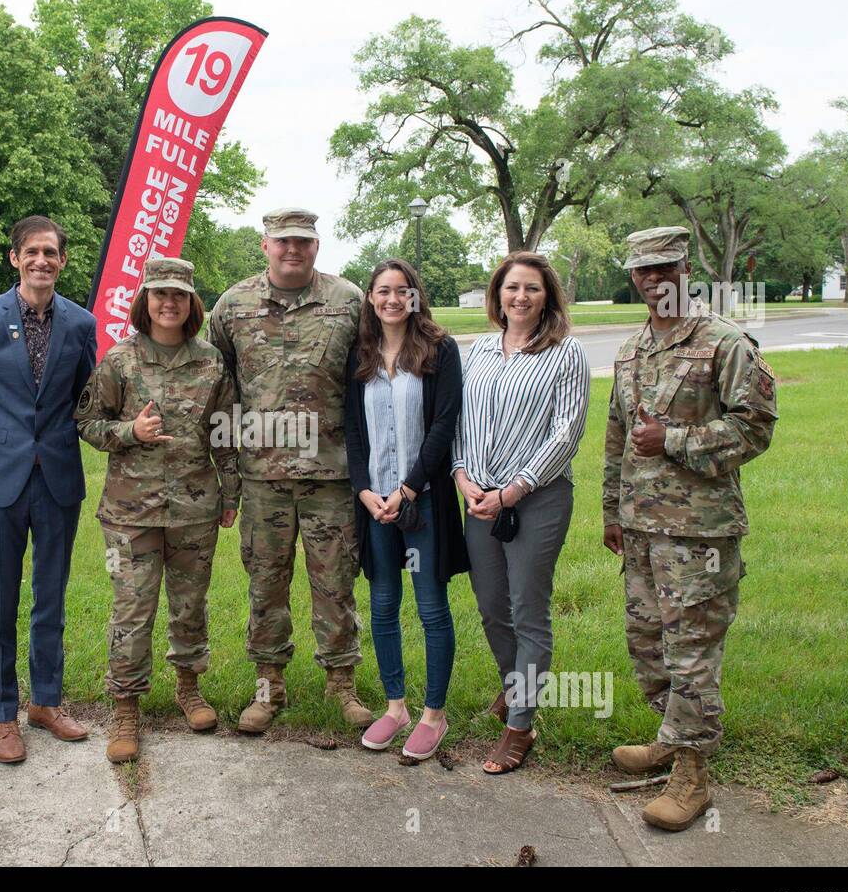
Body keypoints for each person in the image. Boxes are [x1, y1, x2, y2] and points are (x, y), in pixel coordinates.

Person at [603, 226, 777, 831]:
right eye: (642, 271)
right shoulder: (631, 350)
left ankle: (693, 773)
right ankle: (672, 738)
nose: (653, 280)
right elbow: (619, 437)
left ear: (685, 269)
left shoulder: (724, 342)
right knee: (647, 641)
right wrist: (611, 513)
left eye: (664, 268)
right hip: (642, 529)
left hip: (699, 535)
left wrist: (673, 439)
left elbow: (755, 428)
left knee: (692, 649)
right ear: (633, 277)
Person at [207, 208, 373, 734]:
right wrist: (228, 478)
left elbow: (372, 379)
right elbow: (220, 390)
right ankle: (268, 686)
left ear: (317, 246)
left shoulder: (349, 301)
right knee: (266, 584)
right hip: (263, 479)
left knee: (335, 583)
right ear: (265, 245)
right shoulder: (233, 307)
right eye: (283, 242)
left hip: (333, 474)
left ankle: (341, 683)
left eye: (303, 241)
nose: (292, 250)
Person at [75, 258, 240, 762]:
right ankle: (126, 707)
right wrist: (129, 432)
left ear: (191, 304)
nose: (168, 303)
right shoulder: (119, 361)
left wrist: (230, 493)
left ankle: (188, 689)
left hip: (194, 510)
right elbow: (85, 421)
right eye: (159, 294)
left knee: (190, 606)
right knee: (131, 609)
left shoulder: (211, 362)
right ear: (144, 301)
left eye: (178, 296)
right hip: (129, 515)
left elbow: (227, 431)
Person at [0, 216, 97, 764]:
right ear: (14, 258)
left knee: (50, 599)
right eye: (31, 252)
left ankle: (47, 702)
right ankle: (4, 715)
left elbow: (86, 398)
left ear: (62, 261)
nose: (42, 261)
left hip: (57, 479)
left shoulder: (81, 325)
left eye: (51, 253)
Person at [452, 251, 590, 774]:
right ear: (498, 295)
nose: (521, 297)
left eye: (532, 288)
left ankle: (521, 726)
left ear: (547, 296)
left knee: (528, 609)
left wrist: (514, 490)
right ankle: (516, 687)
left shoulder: (565, 353)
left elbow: (567, 431)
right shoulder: (480, 350)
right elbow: (460, 420)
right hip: (478, 498)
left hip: (537, 498)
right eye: (512, 288)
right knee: (491, 606)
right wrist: (463, 477)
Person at [344, 259, 468, 760]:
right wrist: (364, 490)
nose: (393, 300)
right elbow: (352, 431)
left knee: (431, 607)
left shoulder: (439, 350)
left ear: (416, 296)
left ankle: (433, 715)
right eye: (382, 291)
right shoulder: (362, 355)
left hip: (424, 503)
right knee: (382, 605)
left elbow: (444, 424)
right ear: (370, 299)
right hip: (376, 505)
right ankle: (395, 707)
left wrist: (410, 488)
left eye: (402, 291)